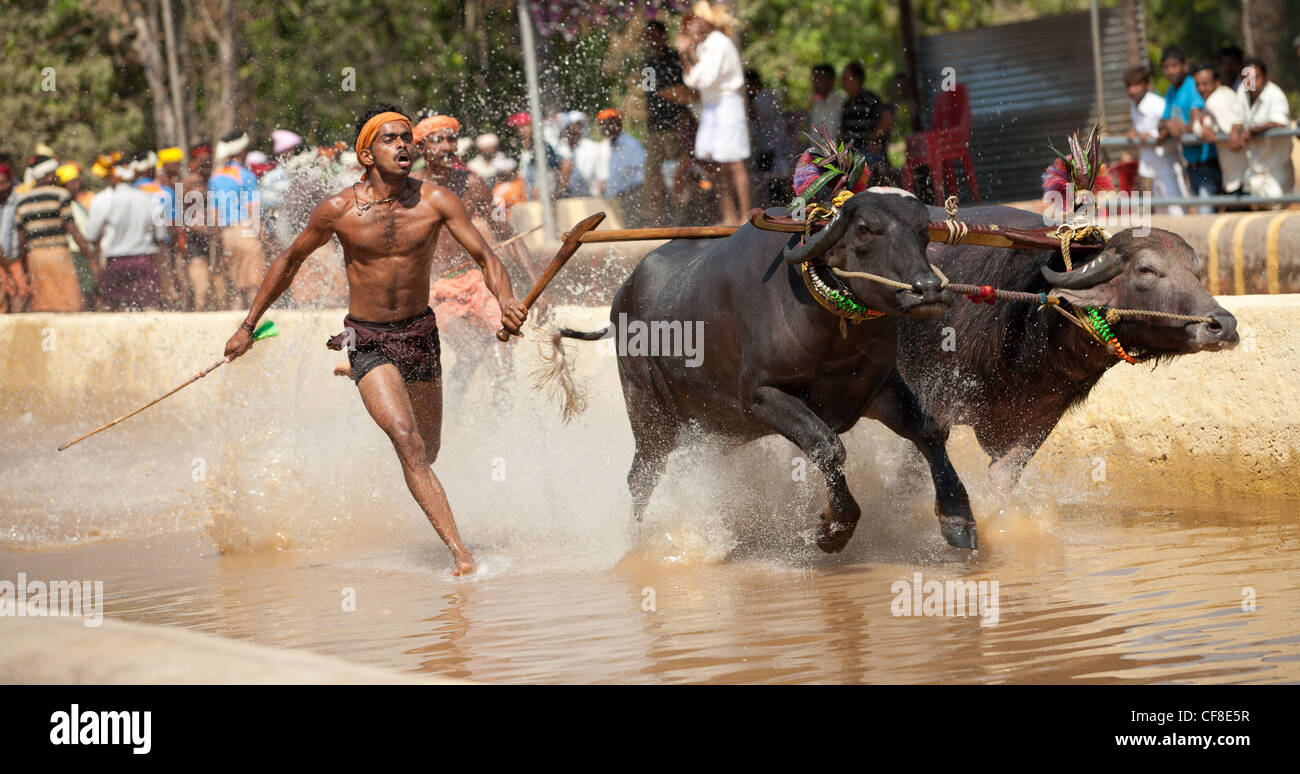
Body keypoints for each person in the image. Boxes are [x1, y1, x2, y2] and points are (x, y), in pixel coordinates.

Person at [223, 104, 527, 577]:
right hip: (368, 338)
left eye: (407, 137)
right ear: (367, 152)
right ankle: (461, 555)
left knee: (429, 447)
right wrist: (247, 327)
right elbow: (287, 262)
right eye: (390, 139)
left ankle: (366, 381)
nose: (403, 145)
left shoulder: (437, 200)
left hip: (420, 334)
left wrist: (506, 300)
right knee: (407, 441)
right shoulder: (338, 210)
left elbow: (485, 256)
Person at [679, 1, 751, 225]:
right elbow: (693, 79)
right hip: (713, 107)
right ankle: (729, 216)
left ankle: (746, 216)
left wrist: (688, 54)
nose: (693, 24)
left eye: (697, 20)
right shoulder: (704, 46)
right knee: (718, 164)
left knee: (734, 161)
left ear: (706, 22)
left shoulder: (719, 44)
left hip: (727, 104)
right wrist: (686, 53)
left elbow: (702, 80)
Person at [12, 156, 94, 312]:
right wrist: (89, 256)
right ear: (47, 174)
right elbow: (72, 229)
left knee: (43, 306)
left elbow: (21, 239)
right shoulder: (60, 195)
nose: (56, 177)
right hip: (59, 254)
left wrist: (23, 266)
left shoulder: (22, 200)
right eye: (54, 174)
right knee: (69, 304)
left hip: (36, 256)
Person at [83, 159, 167, 311]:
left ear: (114, 176)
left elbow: (91, 235)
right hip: (144, 261)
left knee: (114, 311)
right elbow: (161, 238)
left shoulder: (103, 201)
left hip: (115, 262)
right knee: (150, 310)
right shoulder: (151, 200)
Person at [641, 19, 691, 226]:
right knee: (653, 174)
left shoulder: (675, 60)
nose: (653, 40)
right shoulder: (648, 64)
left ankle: (682, 217)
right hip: (655, 128)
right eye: (649, 36)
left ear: (663, 36)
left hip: (674, 126)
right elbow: (649, 95)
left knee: (675, 173)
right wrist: (668, 94)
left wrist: (666, 94)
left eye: (656, 35)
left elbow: (685, 94)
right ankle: (657, 219)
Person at [1158, 46, 1218, 212]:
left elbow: (1194, 122)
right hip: (1191, 162)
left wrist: (1173, 126)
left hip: (1207, 160)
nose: (1170, 71)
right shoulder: (1171, 91)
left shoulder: (1193, 85)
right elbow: (1162, 122)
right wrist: (1169, 125)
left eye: (1174, 65)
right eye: (1166, 67)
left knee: (1207, 214)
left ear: (1185, 65)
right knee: (1201, 212)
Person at [210, 130, 265, 307]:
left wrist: (217, 239)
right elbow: (253, 210)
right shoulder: (246, 176)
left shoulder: (216, 177)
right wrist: (262, 235)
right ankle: (252, 327)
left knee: (236, 285)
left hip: (227, 234)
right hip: (245, 231)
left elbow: (215, 213)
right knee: (253, 284)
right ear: (242, 152)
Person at [1124, 65, 1188, 215]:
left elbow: (1171, 124)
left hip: (1167, 164)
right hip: (1150, 165)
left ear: (1146, 85)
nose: (1132, 90)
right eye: (1129, 86)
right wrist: (1136, 133)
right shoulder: (1134, 106)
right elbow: (1141, 129)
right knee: (1161, 212)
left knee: (1177, 210)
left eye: (1136, 85)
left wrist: (1152, 134)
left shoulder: (1158, 103)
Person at [1232, 57, 1294, 204]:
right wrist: (1235, 132)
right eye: (1246, 78)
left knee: (1276, 210)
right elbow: (1237, 119)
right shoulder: (1242, 91)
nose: (1250, 82)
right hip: (1253, 170)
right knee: (1253, 211)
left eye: (1255, 77)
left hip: (1275, 170)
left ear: (1266, 78)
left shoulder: (1275, 95)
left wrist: (1253, 131)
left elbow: (1278, 122)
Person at [1191, 62, 1247, 201]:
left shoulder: (1214, 101)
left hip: (1239, 178)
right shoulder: (1226, 94)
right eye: (1198, 84)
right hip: (1240, 176)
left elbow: (1235, 137)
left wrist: (1213, 135)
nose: (1201, 88)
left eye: (1205, 83)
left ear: (1216, 82)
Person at [840, 61, 897, 183]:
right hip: (852, 153)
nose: (842, 82)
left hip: (867, 152)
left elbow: (887, 117)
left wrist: (874, 139)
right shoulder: (847, 104)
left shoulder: (869, 99)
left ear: (858, 79)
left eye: (846, 78)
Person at [595, 108, 646, 225]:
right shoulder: (603, 146)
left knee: (632, 228)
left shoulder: (631, 144)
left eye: (609, 124)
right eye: (603, 125)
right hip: (612, 198)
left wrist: (629, 191)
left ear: (618, 124)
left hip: (631, 195)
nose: (606, 128)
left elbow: (641, 172)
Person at [57, 163, 98, 309]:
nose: (77, 185)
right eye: (71, 182)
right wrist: (89, 256)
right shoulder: (66, 205)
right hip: (77, 252)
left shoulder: (77, 203)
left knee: (90, 289)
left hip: (83, 251)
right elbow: (74, 231)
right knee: (85, 291)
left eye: (77, 181)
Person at [508, 110, 561, 200]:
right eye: (518, 128)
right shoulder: (525, 149)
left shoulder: (541, 147)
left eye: (524, 126)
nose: (521, 130)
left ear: (533, 126)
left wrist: (539, 190)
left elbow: (549, 173)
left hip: (542, 197)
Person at [555, 111, 601, 198]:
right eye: (571, 125)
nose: (574, 129)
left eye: (578, 125)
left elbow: (598, 177)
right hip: (566, 199)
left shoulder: (592, 148)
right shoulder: (559, 148)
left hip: (589, 198)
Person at [809, 63, 844, 141]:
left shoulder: (841, 102)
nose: (816, 83)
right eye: (814, 80)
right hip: (818, 151)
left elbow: (839, 134)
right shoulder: (817, 104)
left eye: (819, 80)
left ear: (830, 81)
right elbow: (814, 133)